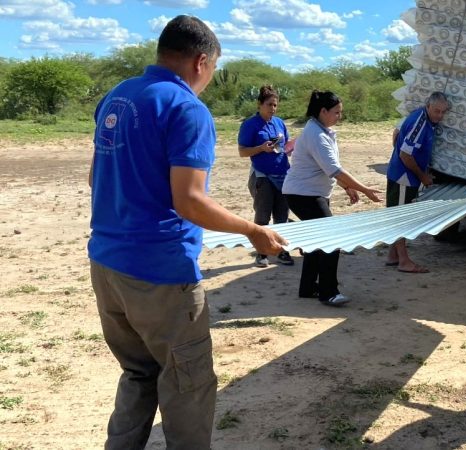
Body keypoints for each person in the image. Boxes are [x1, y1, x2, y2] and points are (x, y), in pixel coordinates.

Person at [87, 15, 286, 449]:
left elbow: (95, 178)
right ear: (201, 61)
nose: (209, 80)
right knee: (188, 384)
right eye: (213, 70)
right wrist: (253, 230)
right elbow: (190, 201)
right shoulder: (186, 109)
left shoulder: (118, 96)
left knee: (138, 372)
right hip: (160, 274)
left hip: (106, 264)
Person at [282, 90, 382, 306]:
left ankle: (308, 288)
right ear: (323, 111)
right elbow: (335, 170)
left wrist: (348, 187)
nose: (340, 116)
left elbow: (329, 169)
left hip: (308, 193)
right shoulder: (316, 135)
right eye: (336, 112)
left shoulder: (320, 131)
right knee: (333, 239)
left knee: (315, 242)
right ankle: (328, 292)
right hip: (304, 195)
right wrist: (365, 189)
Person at [385, 91, 450, 273]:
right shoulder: (420, 123)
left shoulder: (425, 119)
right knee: (400, 218)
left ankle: (392, 255)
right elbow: (405, 155)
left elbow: (397, 133)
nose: (440, 116)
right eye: (437, 111)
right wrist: (423, 177)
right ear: (428, 106)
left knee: (399, 213)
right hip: (403, 177)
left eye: (443, 112)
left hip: (404, 175)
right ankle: (404, 261)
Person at [238, 84, 295, 267]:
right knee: (262, 216)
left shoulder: (279, 123)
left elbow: (285, 147)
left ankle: (281, 251)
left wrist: (291, 148)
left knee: (282, 215)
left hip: (282, 174)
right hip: (262, 175)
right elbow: (242, 151)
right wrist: (261, 148)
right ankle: (261, 253)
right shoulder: (250, 124)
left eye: (275, 105)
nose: (273, 108)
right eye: (269, 104)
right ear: (259, 104)